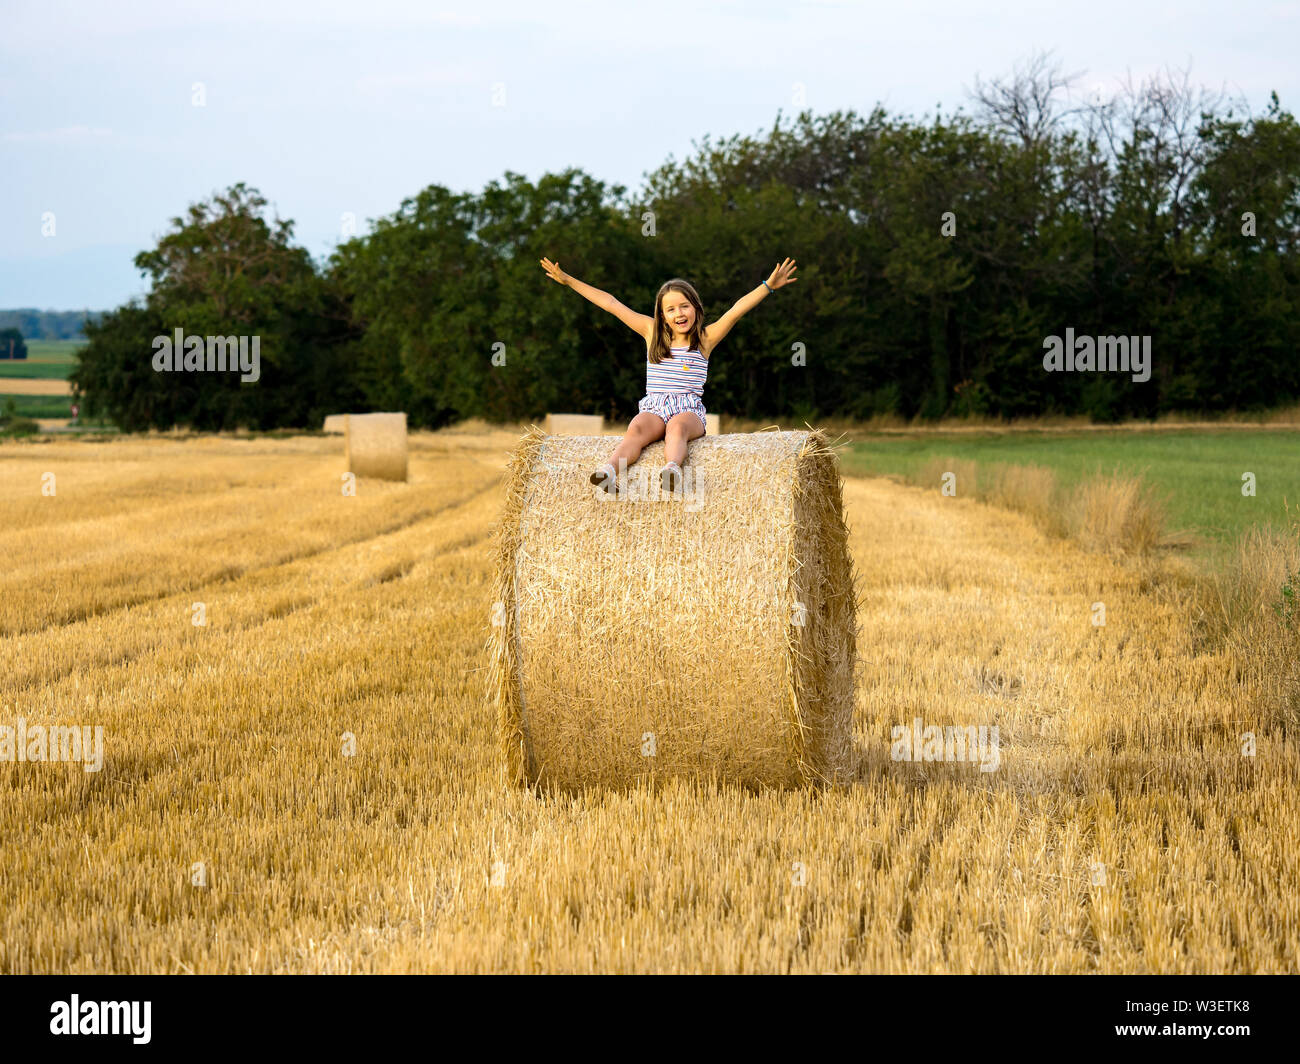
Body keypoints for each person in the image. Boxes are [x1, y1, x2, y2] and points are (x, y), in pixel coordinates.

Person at [538, 257, 798, 494]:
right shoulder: (652, 333)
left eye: (684, 306)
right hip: (655, 405)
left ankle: (672, 469)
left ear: (696, 308)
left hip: (688, 409)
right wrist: (569, 280)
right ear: (662, 315)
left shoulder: (704, 340)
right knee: (636, 430)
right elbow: (611, 304)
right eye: (671, 309)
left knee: (677, 428)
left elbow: (736, 311)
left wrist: (768, 286)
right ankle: (608, 471)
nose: (679, 313)